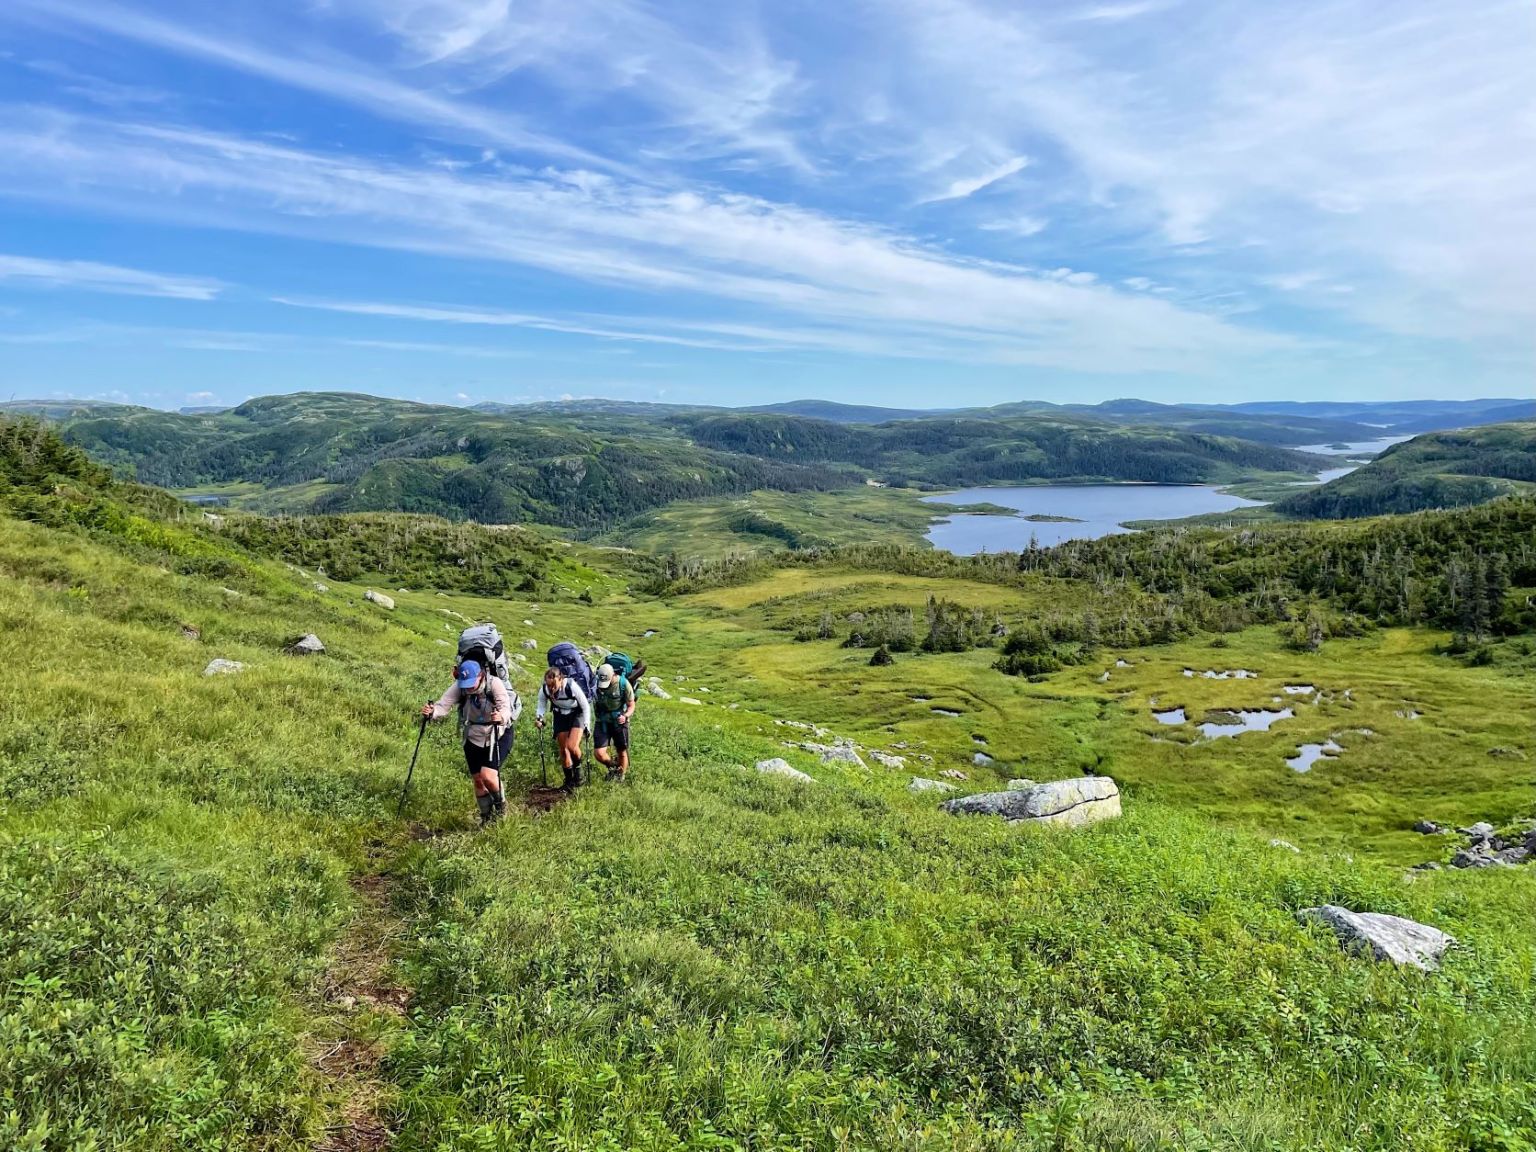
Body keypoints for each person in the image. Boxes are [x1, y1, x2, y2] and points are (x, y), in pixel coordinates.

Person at [422, 659, 512, 825]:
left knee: (489, 777)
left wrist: (501, 717)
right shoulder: (460, 686)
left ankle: (501, 811)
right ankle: (486, 818)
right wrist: (432, 711)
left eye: (472, 683)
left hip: (498, 733)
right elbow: (444, 705)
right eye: (465, 684)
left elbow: (506, 707)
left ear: (480, 675)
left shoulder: (495, 684)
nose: (468, 687)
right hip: (473, 736)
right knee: (478, 780)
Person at [536, 666, 591, 792]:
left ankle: (579, 773)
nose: (551, 689)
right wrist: (539, 718)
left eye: (554, 685)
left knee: (572, 746)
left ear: (561, 679)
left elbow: (585, 706)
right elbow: (541, 705)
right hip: (560, 715)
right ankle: (569, 782)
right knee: (563, 749)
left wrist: (587, 724)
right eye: (549, 685)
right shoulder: (544, 689)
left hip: (577, 714)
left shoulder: (571, 686)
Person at [592, 662, 636, 781]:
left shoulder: (623, 684)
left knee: (621, 751)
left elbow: (631, 705)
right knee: (599, 753)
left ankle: (620, 777)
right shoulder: (596, 683)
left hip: (619, 722)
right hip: (602, 721)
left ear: (613, 675)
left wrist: (625, 716)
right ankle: (614, 767)